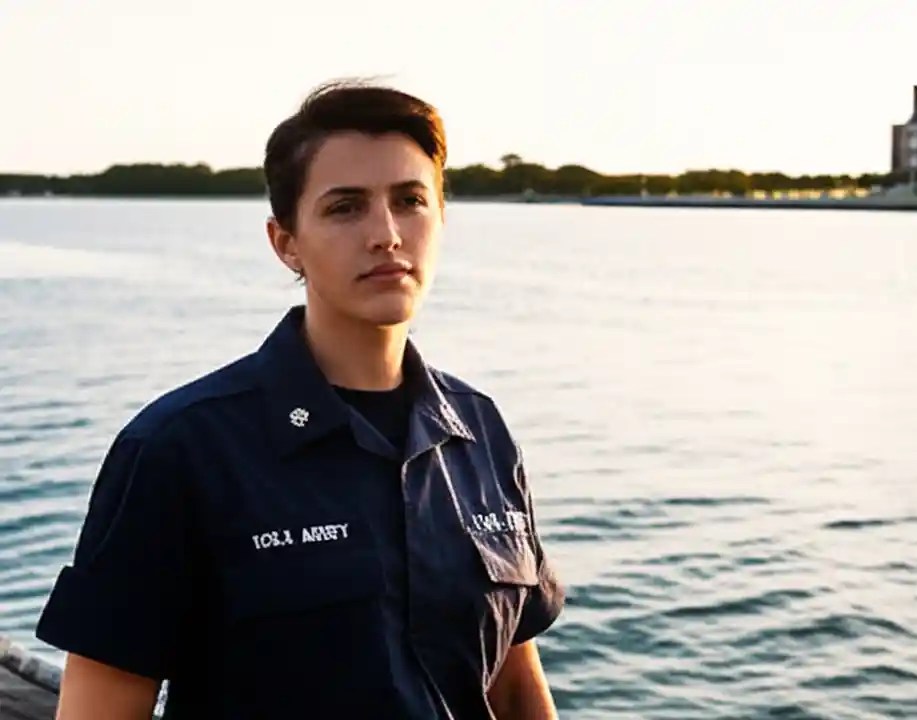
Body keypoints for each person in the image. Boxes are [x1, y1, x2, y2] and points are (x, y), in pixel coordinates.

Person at [35, 80, 566, 719]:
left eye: (411, 201)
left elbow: (513, 681)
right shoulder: (181, 449)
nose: (387, 235)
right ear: (285, 241)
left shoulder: (480, 431)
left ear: (441, 219)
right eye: (346, 207)